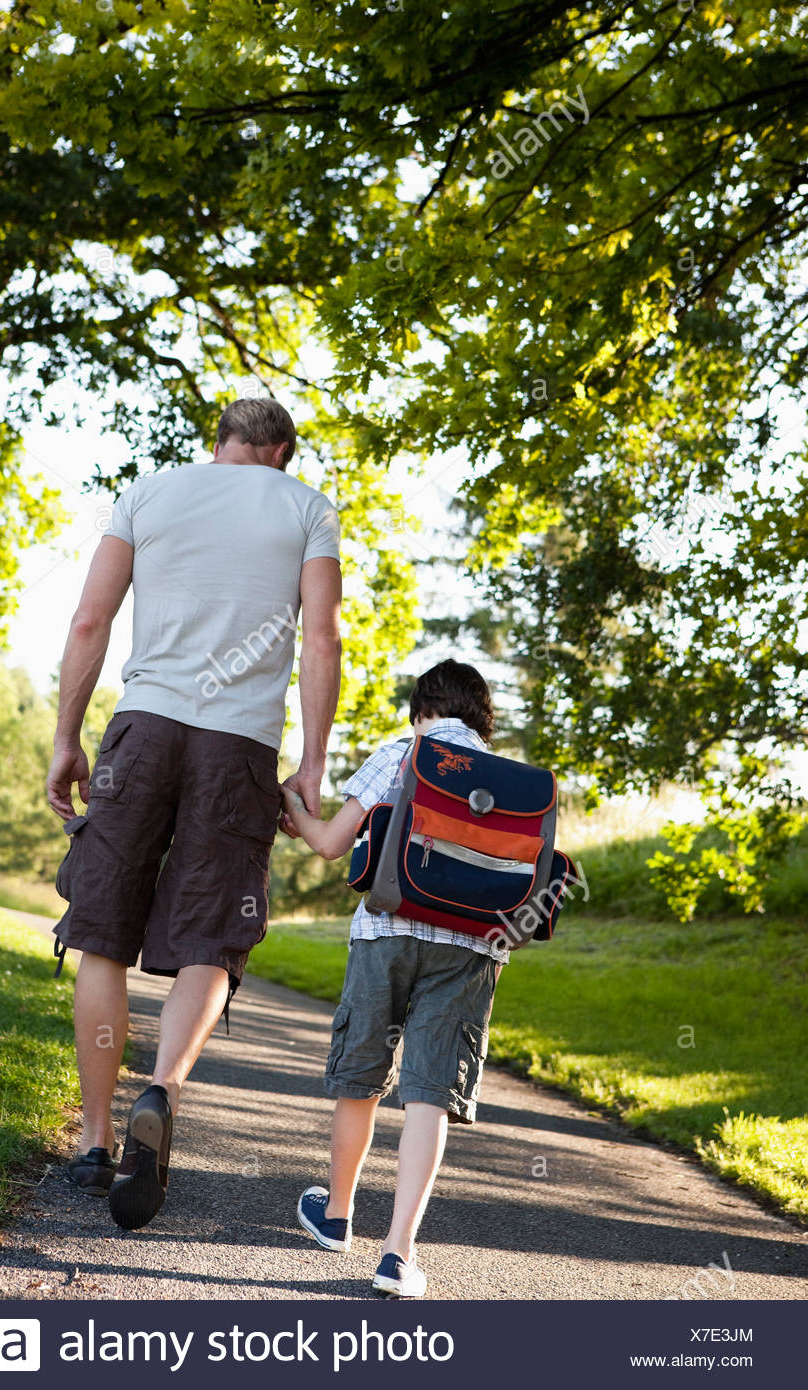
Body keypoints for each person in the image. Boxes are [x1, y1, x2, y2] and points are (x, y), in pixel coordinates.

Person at [46, 397, 342, 1230]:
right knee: (212, 935)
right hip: (239, 745)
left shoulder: (149, 491)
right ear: (280, 450)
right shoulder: (307, 507)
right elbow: (321, 639)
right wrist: (312, 762)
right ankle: (163, 1091)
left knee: (102, 929)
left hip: (145, 727)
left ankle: (96, 1144)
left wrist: (66, 738)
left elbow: (90, 619)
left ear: (220, 442)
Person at [280, 659, 508, 1298]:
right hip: (471, 948)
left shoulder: (402, 754)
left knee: (363, 1079)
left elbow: (329, 843)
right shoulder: (509, 780)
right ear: (480, 716)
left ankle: (336, 1216)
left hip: (385, 933)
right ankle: (398, 1255)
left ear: (422, 709)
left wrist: (292, 803)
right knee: (430, 1094)